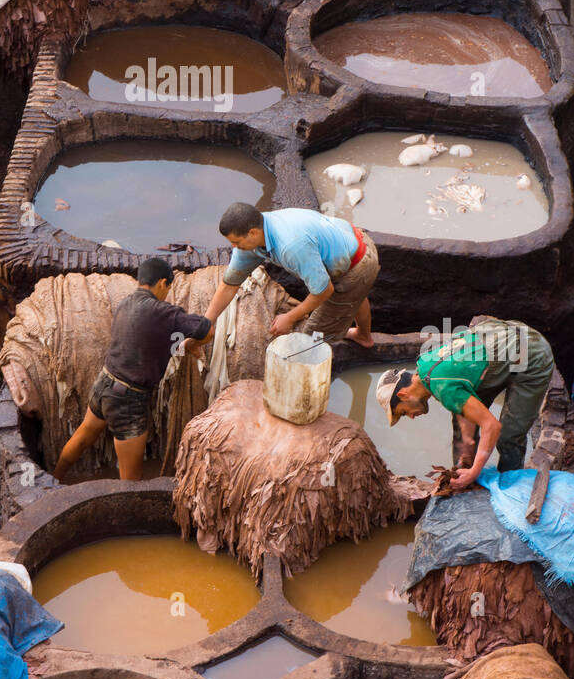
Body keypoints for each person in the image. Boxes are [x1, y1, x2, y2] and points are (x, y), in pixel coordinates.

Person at [52, 257, 213, 483]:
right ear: (162, 283)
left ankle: (52, 481)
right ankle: (123, 515)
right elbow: (208, 330)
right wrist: (191, 345)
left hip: (104, 383)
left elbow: (143, 340)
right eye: (168, 287)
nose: (167, 293)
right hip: (128, 400)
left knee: (81, 438)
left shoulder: (125, 303)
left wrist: (177, 345)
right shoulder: (163, 312)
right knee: (131, 480)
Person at [375, 316, 555, 491]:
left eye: (404, 412)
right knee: (461, 428)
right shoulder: (424, 364)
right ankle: (462, 471)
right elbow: (459, 402)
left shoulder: (442, 386)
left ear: (403, 394)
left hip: (531, 354)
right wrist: (467, 446)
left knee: (508, 436)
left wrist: (475, 472)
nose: (412, 416)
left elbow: (492, 426)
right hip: (503, 342)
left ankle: (509, 488)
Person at [203, 202, 379, 346]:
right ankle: (363, 336)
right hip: (347, 239)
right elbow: (229, 285)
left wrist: (289, 317)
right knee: (355, 295)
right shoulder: (256, 234)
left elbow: (324, 291)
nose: (234, 248)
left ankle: (319, 366)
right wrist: (206, 323)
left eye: (236, 242)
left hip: (358, 263)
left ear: (252, 233)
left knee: (311, 338)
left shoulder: (291, 246)